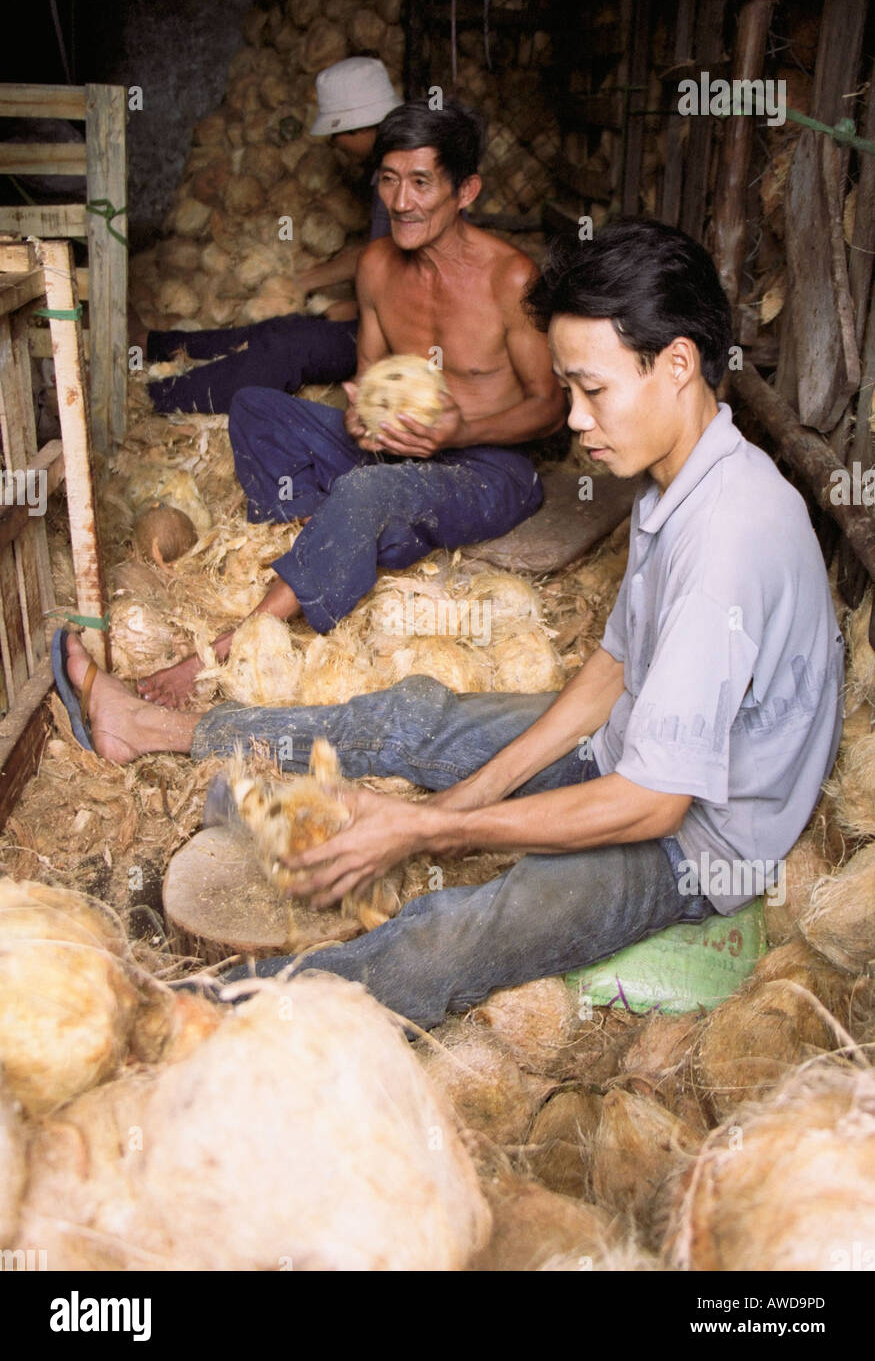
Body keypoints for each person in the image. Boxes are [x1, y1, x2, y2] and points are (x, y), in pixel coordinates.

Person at [55, 218, 845, 1030]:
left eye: (592, 389)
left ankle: (180, 1018)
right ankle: (154, 729)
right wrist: (445, 813)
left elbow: (651, 805)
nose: (571, 418)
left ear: (676, 363)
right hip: (629, 743)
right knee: (410, 719)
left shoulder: (727, 540)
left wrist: (436, 834)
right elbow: (613, 668)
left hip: (696, 843)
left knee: (462, 931)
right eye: (568, 390)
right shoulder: (676, 476)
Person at [137, 98, 568, 707]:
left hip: (488, 468)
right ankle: (330, 535)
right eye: (388, 180)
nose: (400, 201)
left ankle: (249, 630)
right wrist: (360, 419)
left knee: (368, 494)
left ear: (465, 190)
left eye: (421, 183)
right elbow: (365, 386)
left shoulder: (511, 278)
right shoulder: (375, 266)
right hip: (392, 459)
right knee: (257, 405)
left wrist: (455, 433)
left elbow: (550, 407)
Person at [139, 57, 403, 415]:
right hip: (385, 318)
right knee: (277, 330)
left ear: (358, 128)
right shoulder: (390, 169)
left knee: (287, 349)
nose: (335, 143)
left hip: (402, 338)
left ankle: (156, 399)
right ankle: (156, 345)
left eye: (338, 133)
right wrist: (314, 285)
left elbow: (404, 270)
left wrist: (366, 314)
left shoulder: (405, 178)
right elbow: (382, 255)